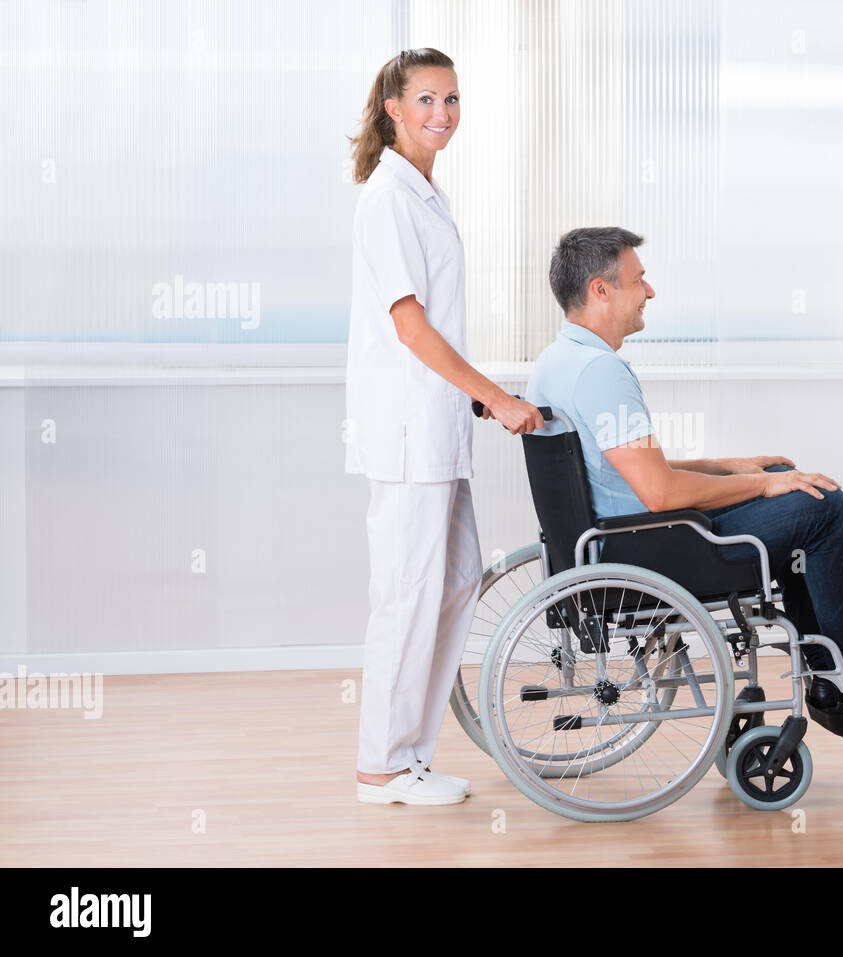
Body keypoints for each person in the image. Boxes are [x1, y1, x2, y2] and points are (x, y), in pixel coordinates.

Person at [525, 227, 843, 738]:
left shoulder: (559, 362)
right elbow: (660, 493)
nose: (650, 292)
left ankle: (837, 683)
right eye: (638, 280)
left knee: (784, 479)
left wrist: (731, 466)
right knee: (820, 502)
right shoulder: (602, 371)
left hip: (613, 541)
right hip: (649, 550)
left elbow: (623, 470)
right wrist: (762, 489)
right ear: (602, 289)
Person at [345, 48, 544, 806]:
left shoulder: (427, 192)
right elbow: (410, 326)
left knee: (455, 580)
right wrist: (495, 396)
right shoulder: (388, 198)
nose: (443, 113)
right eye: (427, 99)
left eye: (453, 99)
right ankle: (381, 766)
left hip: (434, 427)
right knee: (407, 593)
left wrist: (473, 400)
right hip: (405, 431)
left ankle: (410, 755)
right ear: (394, 108)